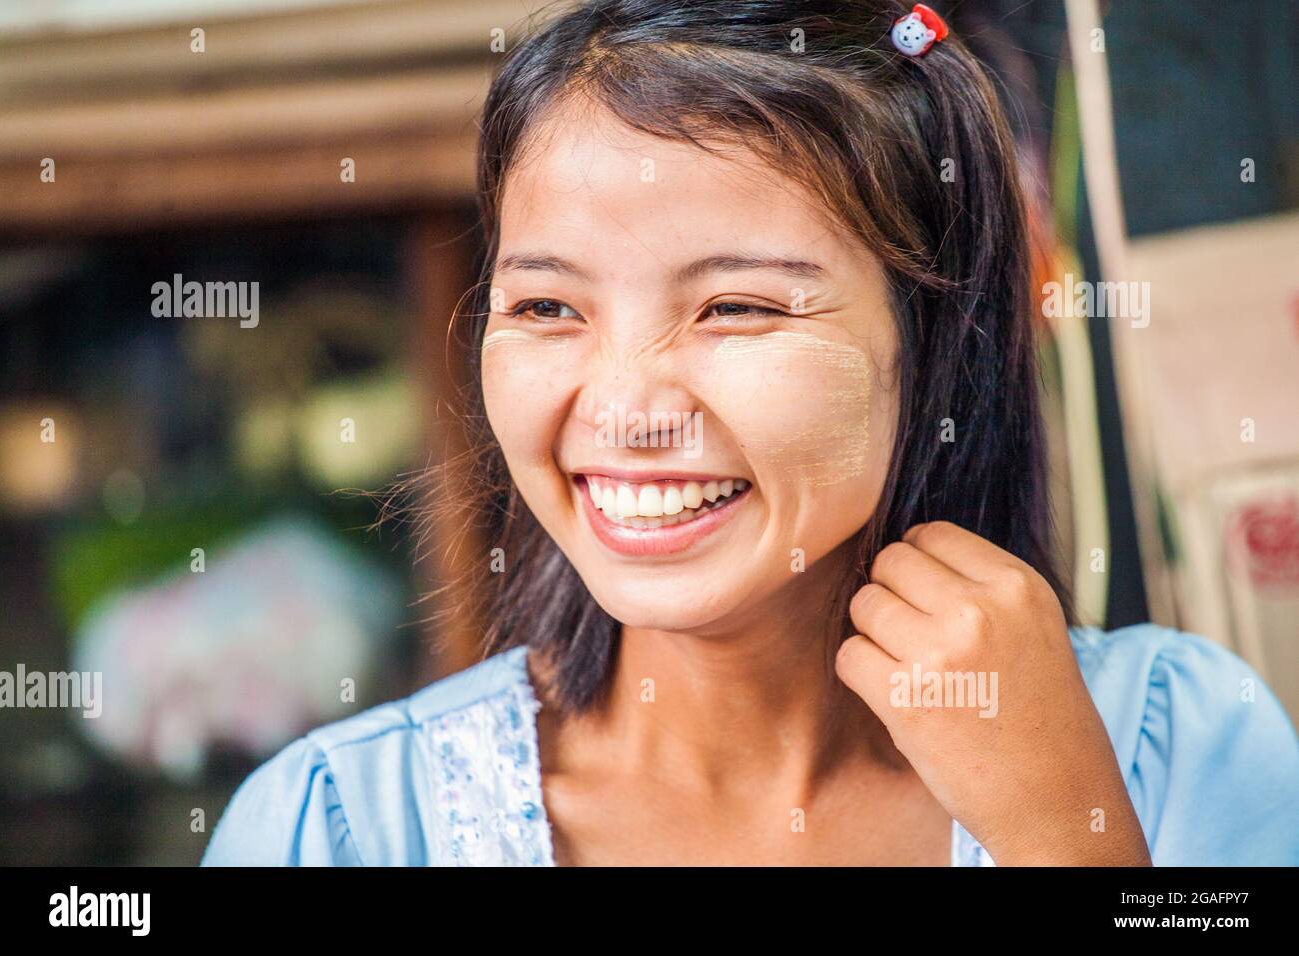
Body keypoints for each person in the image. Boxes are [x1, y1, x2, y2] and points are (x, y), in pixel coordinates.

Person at [201, 0, 1299, 866]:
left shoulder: (1180, 746)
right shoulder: (339, 828)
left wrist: (1066, 836)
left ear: (936, 345)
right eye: (546, 306)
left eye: (736, 306)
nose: (624, 408)